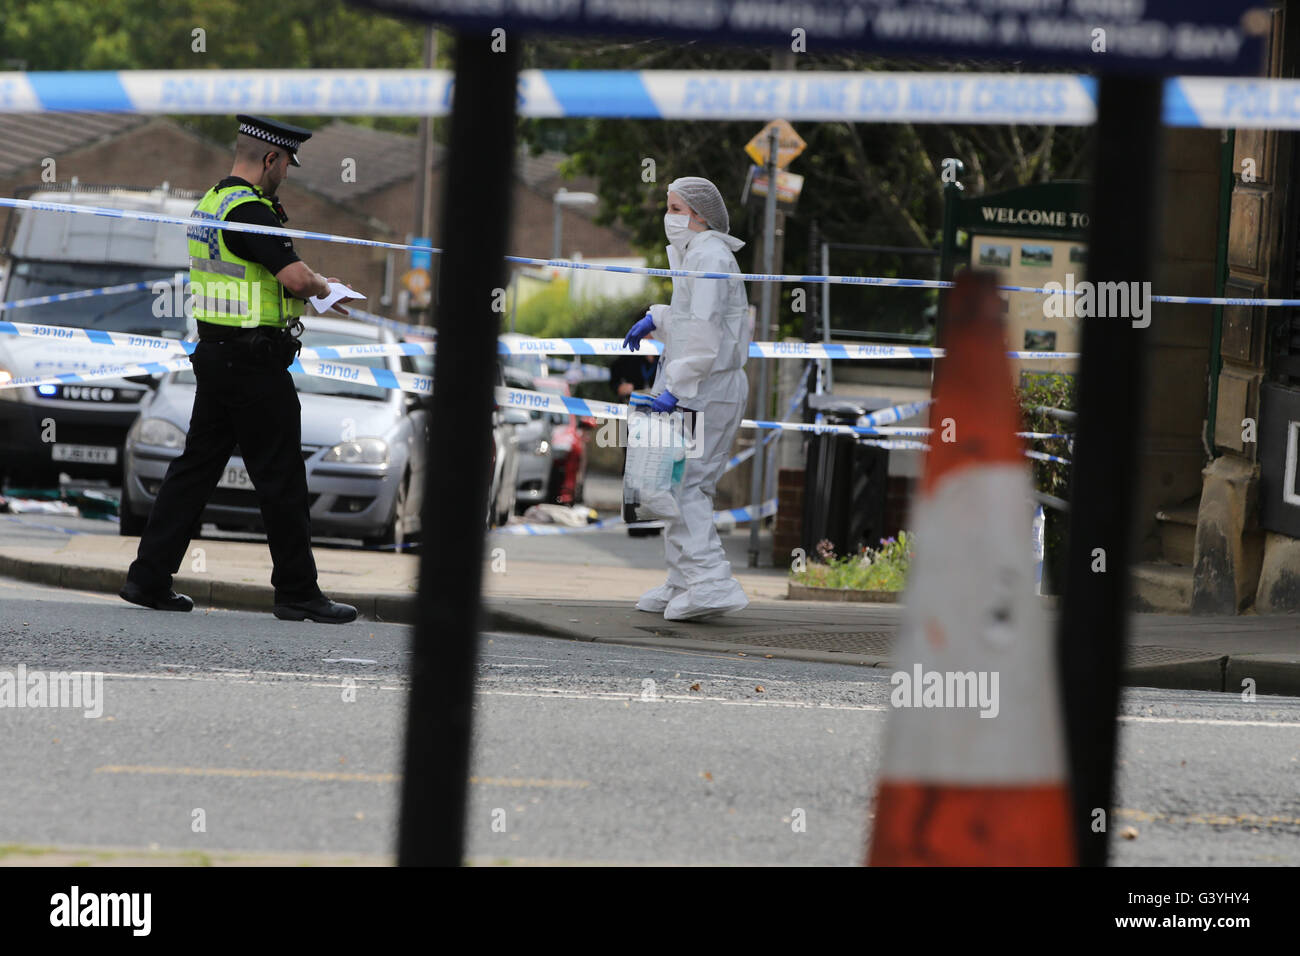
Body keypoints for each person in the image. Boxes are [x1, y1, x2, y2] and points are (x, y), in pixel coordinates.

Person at [119, 115, 360, 624]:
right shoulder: (251, 209)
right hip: (253, 365)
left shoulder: (212, 202)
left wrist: (311, 282)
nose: (287, 175)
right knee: (282, 479)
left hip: (217, 356)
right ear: (270, 159)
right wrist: (322, 286)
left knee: (193, 472)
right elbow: (294, 279)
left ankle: (147, 579)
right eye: (287, 165)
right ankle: (297, 592)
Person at [622, 176, 751, 621]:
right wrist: (657, 319)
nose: (669, 216)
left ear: (699, 214)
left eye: (675, 208)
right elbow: (691, 318)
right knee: (669, 482)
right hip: (701, 385)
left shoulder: (710, 255)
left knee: (686, 483)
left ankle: (711, 581)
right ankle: (684, 580)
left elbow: (705, 332)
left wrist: (675, 387)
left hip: (708, 389)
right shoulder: (693, 254)